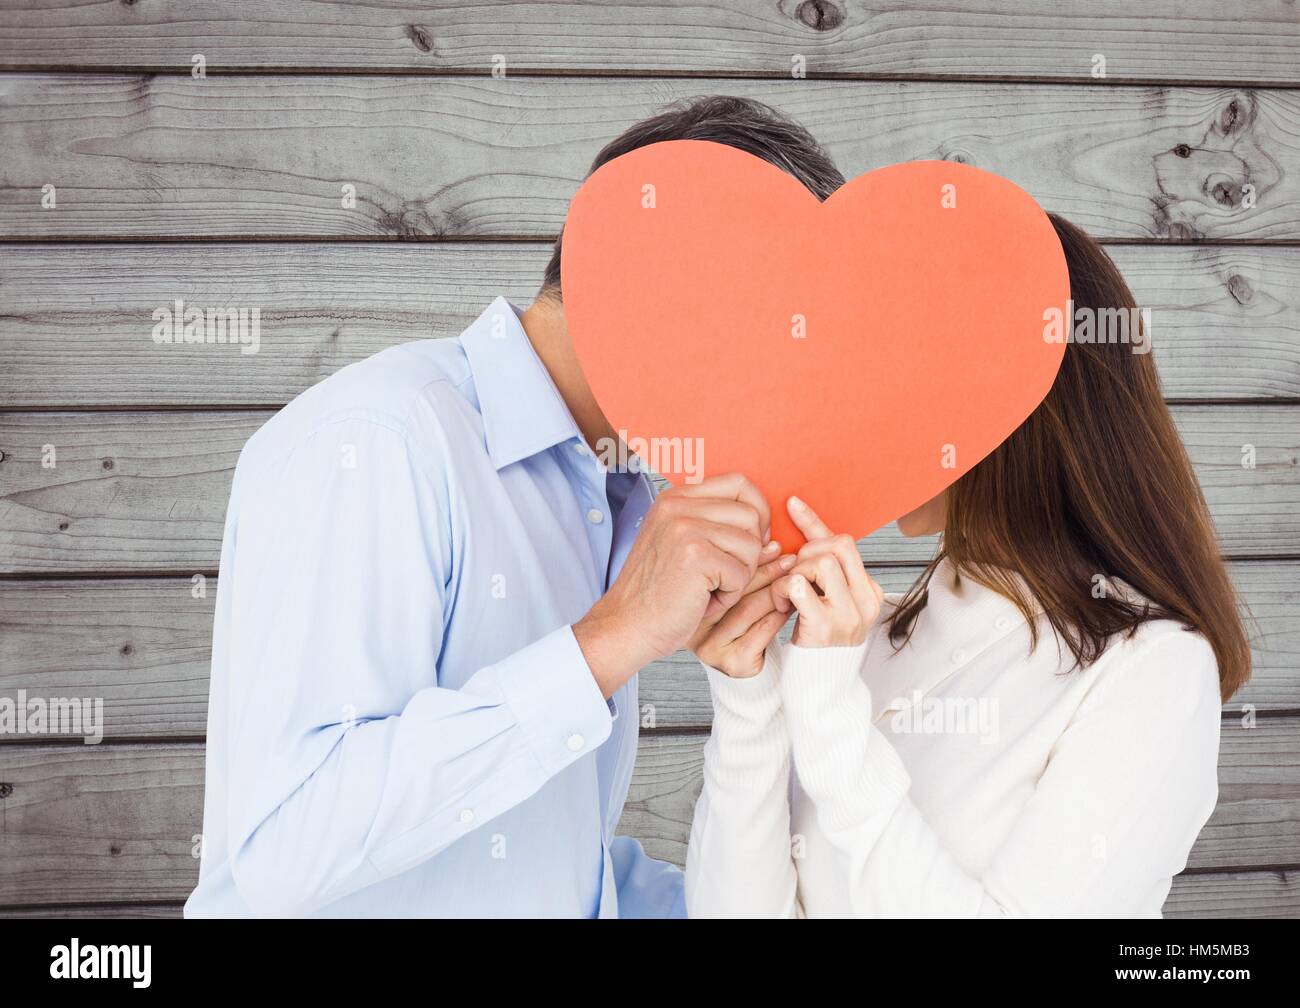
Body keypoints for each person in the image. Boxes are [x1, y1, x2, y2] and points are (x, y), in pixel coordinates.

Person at [184, 96, 844, 918]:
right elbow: (285, 848)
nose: (782, 389)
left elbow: (531, 859)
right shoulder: (377, 442)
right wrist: (610, 639)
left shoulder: (611, 495)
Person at [686, 214, 1251, 918]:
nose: (858, 407)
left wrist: (832, 718)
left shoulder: (1155, 670)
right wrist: (749, 701)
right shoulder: (863, 641)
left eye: (893, 371)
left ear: (1004, 408)